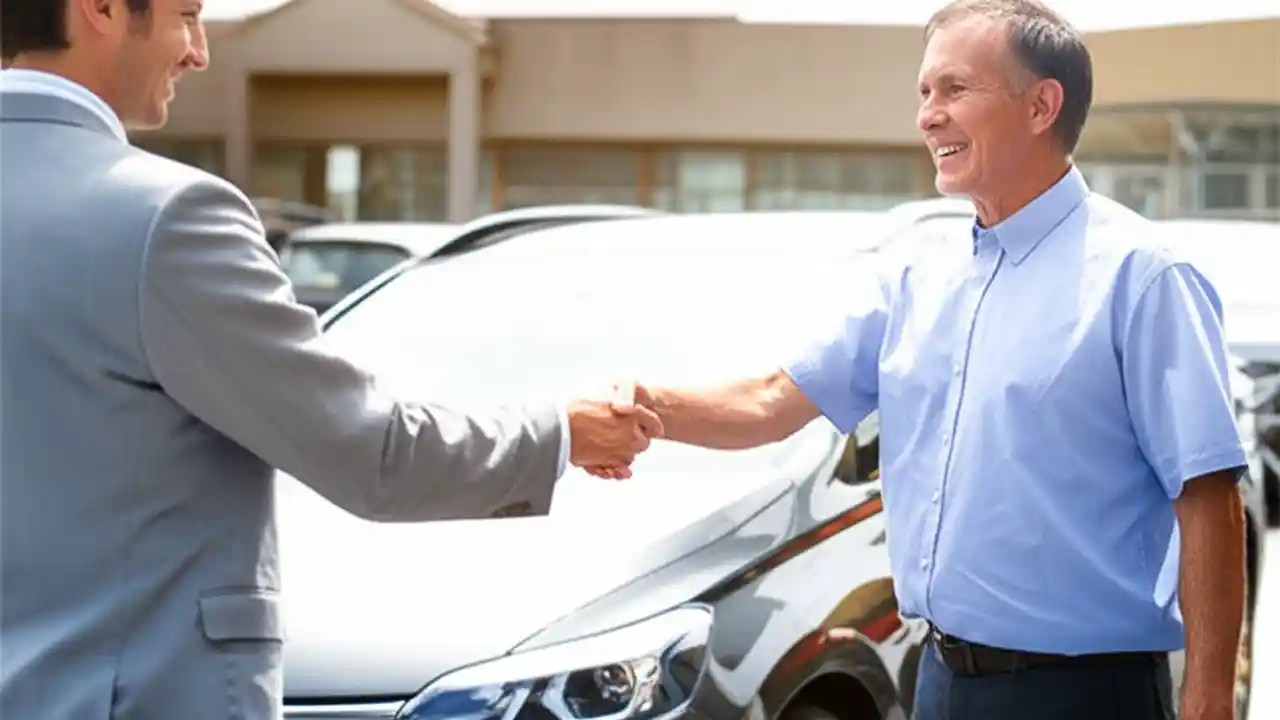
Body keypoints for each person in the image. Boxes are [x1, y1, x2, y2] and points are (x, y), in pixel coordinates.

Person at [0, 1, 660, 717]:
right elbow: (371, 453)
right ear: (99, 8)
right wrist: (564, 431)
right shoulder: (166, 217)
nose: (199, 52)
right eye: (186, 16)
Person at [595, 1, 1247, 718]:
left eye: (954, 89)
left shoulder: (1142, 277)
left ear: (1041, 106)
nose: (928, 117)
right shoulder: (915, 276)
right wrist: (651, 408)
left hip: (1085, 694)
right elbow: (773, 400)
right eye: (924, 92)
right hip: (938, 682)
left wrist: (1209, 700)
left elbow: (1207, 496)